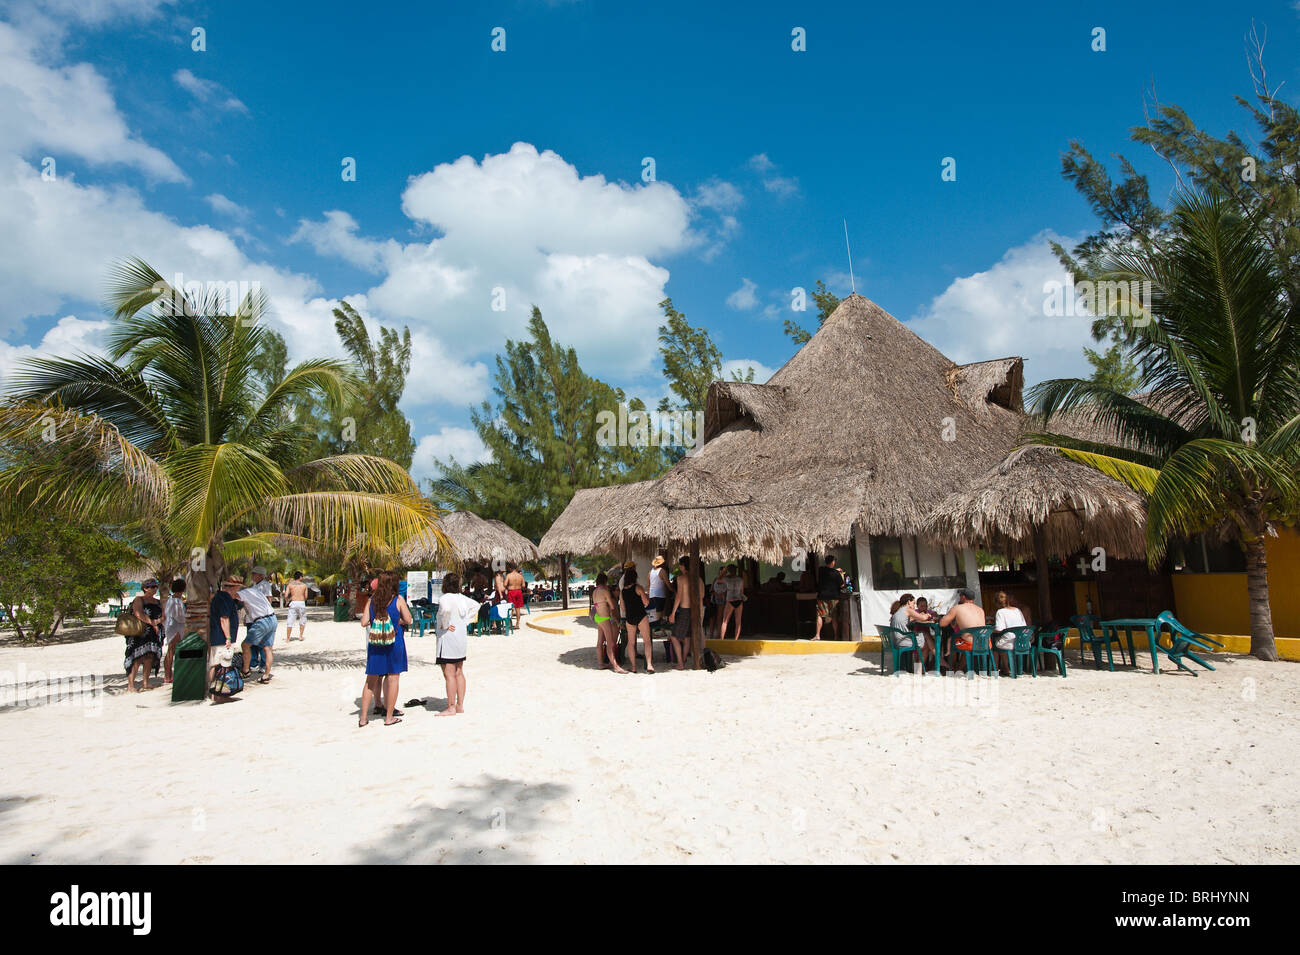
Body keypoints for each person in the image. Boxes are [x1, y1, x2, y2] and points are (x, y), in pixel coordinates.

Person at [360, 572, 410, 726]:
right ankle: (389, 717)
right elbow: (408, 619)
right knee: (393, 678)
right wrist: (396, 620)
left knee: (371, 680)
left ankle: (363, 718)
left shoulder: (372, 600)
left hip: (376, 643)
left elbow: (363, 622)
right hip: (394, 642)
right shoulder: (398, 599)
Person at [434, 572, 478, 715]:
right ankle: (460, 705)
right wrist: (464, 622)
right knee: (459, 671)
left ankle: (451, 706)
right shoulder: (462, 598)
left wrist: (445, 624)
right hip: (460, 636)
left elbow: (446, 610)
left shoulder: (445, 598)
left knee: (449, 673)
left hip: (448, 637)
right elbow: (476, 606)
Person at [238, 568, 277, 684]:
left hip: (261, 620)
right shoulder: (255, 590)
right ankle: (266, 675)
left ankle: (246, 670)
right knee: (268, 648)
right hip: (272, 618)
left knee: (245, 645)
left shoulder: (246, 591)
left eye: (254, 573)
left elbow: (235, 601)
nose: (252, 575)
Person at [124, 579, 163, 691]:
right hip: (140, 632)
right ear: (145, 588)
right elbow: (138, 613)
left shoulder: (158, 602)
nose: (154, 588)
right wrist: (153, 623)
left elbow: (163, 615)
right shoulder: (139, 599)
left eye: (156, 586)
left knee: (150, 657)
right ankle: (131, 685)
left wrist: (158, 623)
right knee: (137, 657)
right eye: (152, 587)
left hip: (153, 633)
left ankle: (145, 682)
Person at [208, 577, 242, 700]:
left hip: (217, 636)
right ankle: (217, 694)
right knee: (222, 664)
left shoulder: (220, 597)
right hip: (221, 637)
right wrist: (228, 637)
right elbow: (224, 618)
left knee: (215, 664)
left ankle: (213, 692)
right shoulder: (225, 598)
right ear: (234, 587)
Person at [940, 589, 988, 672]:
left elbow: (942, 624)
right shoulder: (980, 610)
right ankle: (958, 669)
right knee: (965, 641)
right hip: (984, 643)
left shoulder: (957, 608)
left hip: (968, 644)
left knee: (952, 642)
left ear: (963, 597)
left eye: (960, 596)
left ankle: (951, 669)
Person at [590, 572, 626, 673]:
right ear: (605, 581)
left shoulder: (595, 591)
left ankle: (601, 664)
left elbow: (597, 605)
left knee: (599, 642)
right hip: (605, 618)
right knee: (610, 643)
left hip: (598, 617)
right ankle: (615, 666)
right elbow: (612, 606)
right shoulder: (605, 591)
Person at [620, 565, 653, 673]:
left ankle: (633, 667)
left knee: (631, 643)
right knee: (647, 641)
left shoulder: (622, 592)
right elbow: (646, 603)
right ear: (635, 577)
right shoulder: (638, 588)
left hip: (630, 618)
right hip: (641, 616)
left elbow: (623, 608)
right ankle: (649, 665)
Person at [666, 555, 696, 669]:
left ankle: (680, 663)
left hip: (684, 610)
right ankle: (682, 660)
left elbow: (678, 596)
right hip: (693, 610)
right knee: (687, 637)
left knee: (674, 636)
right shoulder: (695, 578)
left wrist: (673, 613)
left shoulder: (681, 578)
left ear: (683, 566)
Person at [889, 593, 934, 668]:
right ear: (909, 602)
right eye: (913, 603)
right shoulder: (907, 609)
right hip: (902, 641)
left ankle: (938, 661)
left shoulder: (898, 611)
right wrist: (928, 615)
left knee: (925, 635)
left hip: (896, 640)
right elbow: (923, 618)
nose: (914, 605)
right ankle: (920, 669)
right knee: (926, 644)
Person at [992, 591, 1030, 673]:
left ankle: (1004, 668)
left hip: (1010, 643)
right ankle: (1015, 668)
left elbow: (999, 629)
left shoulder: (1000, 612)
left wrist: (991, 630)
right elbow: (1024, 626)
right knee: (1003, 640)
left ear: (997, 603)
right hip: (1022, 642)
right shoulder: (1018, 610)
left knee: (994, 646)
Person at [161, 578, 187, 683]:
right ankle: (168, 675)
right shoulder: (176, 601)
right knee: (171, 651)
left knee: (171, 651)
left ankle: (168, 674)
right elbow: (179, 617)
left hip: (171, 627)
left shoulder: (170, 600)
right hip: (176, 628)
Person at [814, 555, 844, 640]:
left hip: (822, 596)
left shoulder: (821, 570)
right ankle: (836, 636)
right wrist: (840, 574)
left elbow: (828, 571)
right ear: (833, 562)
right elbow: (842, 585)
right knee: (834, 616)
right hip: (834, 597)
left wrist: (835, 571)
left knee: (820, 615)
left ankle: (817, 635)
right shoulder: (836, 573)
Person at [719, 563, 746, 639]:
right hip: (739, 600)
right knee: (738, 622)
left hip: (730, 600)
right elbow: (742, 592)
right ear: (735, 570)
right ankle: (736, 640)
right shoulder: (740, 579)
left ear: (729, 571)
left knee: (725, 621)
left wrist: (723, 571)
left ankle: (722, 639)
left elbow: (718, 580)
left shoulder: (726, 579)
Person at [647, 555, 673, 622]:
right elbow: (668, 584)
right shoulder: (662, 571)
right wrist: (673, 590)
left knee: (653, 613)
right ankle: (659, 628)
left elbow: (649, 585)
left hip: (651, 595)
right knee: (660, 613)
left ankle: (656, 629)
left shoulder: (650, 572)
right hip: (660, 595)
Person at [284, 571, 310, 642]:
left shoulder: (290, 585)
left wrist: (287, 600)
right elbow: (306, 596)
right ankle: (300, 636)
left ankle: (288, 638)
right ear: (300, 577)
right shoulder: (304, 585)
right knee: (302, 619)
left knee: (290, 620)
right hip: (301, 602)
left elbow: (286, 595)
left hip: (293, 602)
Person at [505, 563, 526, 628]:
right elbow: (523, 585)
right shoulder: (520, 576)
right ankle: (517, 624)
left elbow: (505, 584)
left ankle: (509, 624)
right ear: (516, 568)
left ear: (510, 568)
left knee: (510, 608)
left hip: (511, 591)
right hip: (518, 592)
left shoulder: (509, 575)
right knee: (518, 608)